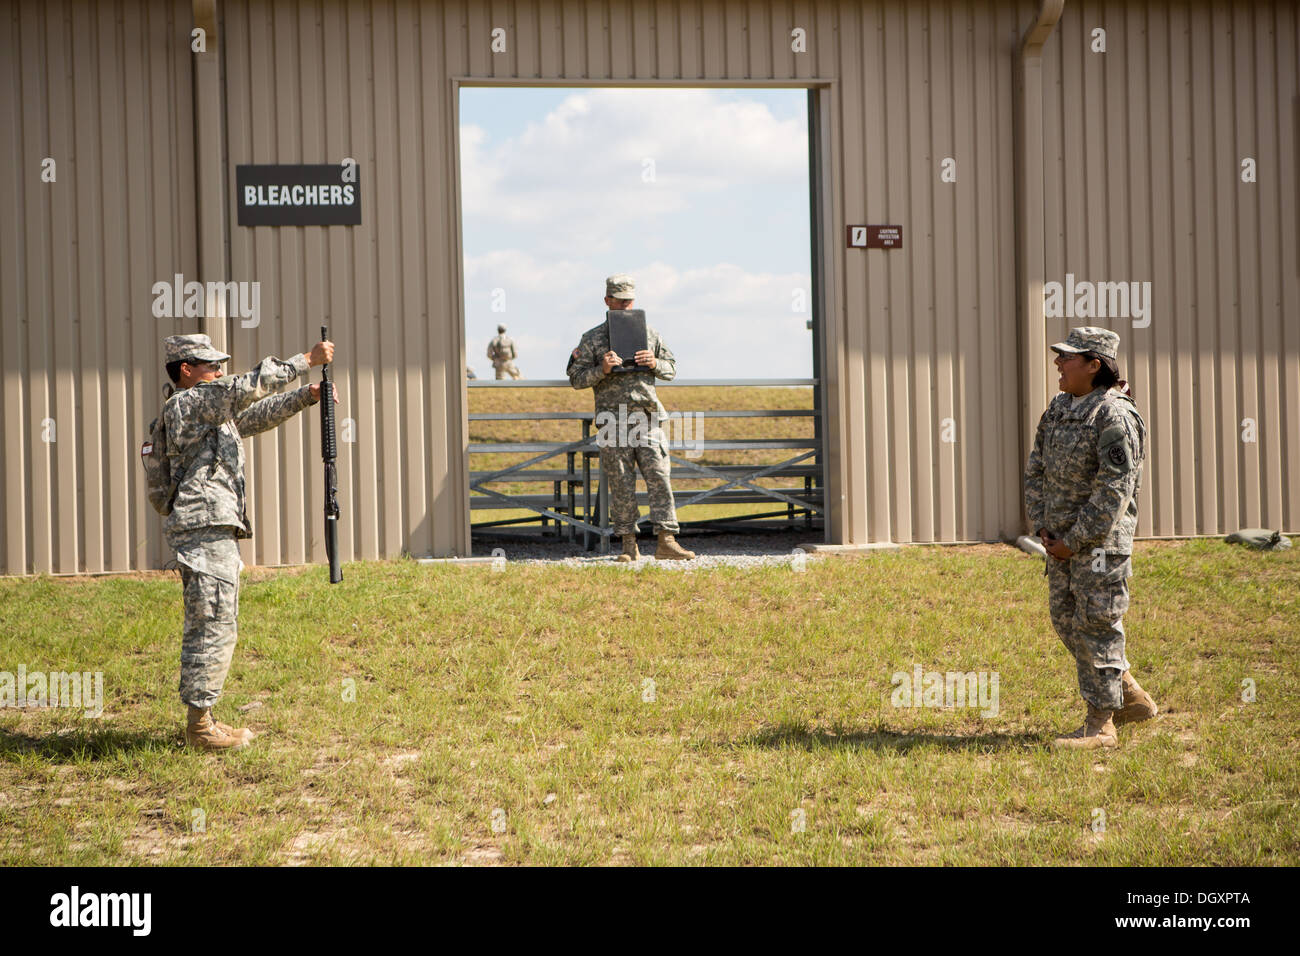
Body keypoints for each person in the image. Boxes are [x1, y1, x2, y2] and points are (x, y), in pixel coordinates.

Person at [160, 333, 337, 752]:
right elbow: (244, 387)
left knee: (217, 620)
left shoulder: (210, 412)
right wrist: (305, 361)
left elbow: (255, 414)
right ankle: (200, 728)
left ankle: (205, 719)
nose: (220, 372)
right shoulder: (188, 404)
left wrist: (306, 395)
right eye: (211, 366)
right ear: (187, 371)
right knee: (212, 623)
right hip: (202, 530)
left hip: (213, 529)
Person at [1024, 326, 1157, 750]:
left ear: (1094, 365)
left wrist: (1076, 540)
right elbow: (1037, 468)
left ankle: (1101, 727)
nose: (1058, 363)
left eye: (1067, 357)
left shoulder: (1114, 415)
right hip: (1059, 542)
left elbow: (1114, 491)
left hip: (1098, 547)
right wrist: (1043, 526)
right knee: (1068, 623)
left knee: (1097, 626)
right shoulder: (1061, 406)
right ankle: (1129, 696)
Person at [567, 275, 694, 562]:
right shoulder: (592, 339)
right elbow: (576, 378)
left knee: (660, 477)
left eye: (629, 299)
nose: (625, 304)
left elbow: (671, 369)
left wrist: (655, 363)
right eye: (619, 299)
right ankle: (628, 545)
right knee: (621, 483)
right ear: (607, 300)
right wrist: (602, 369)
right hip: (613, 422)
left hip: (647, 419)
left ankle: (666, 540)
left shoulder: (650, 334)